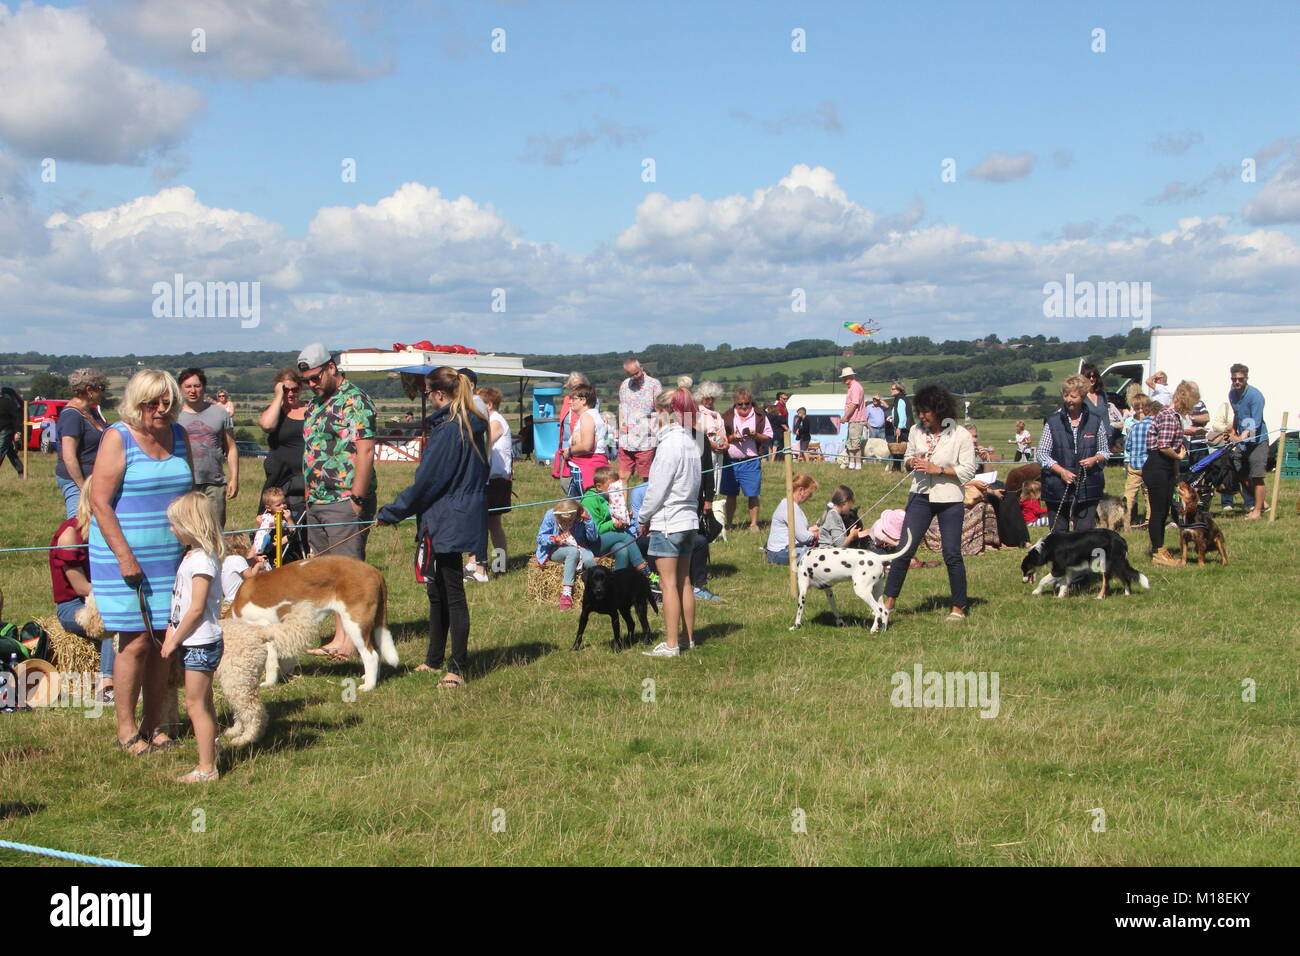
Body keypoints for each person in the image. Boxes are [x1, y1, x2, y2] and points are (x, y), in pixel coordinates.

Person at [89, 369, 193, 755]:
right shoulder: (118, 437)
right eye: (152, 402)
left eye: (168, 402)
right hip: (124, 556)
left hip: (170, 555)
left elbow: (189, 496)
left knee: (163, 642)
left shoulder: (179, 436)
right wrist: (124, 556)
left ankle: (157, 724)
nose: (161, 410)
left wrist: (195, 545)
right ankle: (126, 730)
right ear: (137, 402)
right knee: (133, 642)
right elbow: (99, 501)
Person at [377, 368, 488, 688]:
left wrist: (393, 511)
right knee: (435, 590)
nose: (426, 398)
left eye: (427, 393)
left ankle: (457, 667)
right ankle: (433, 659)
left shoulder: (452, 429)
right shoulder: (466, 423)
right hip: (446, 515)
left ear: (439, 394)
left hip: (449, 517)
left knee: (452, 592)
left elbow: (428, 482)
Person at [297, 344, 378, 658]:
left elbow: (366, 450)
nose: (312, 384)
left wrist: (356, 497)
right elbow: (312, 450)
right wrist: (308, 491)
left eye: (315, 377)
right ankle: (338, 637)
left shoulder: (356, 400)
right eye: (307, 380)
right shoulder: (316, 404)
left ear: (331, 367)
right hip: (316, 500)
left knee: (348, 572)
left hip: (344, 499)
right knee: (329, 574)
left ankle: (352, 643)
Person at [881, 384, 977, 624]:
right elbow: (906, 458)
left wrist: (939, 470)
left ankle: (958, 606)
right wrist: (912, 462)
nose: (922, 416)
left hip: (950, 499)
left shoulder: (960, 435)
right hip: (920, 497)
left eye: (927, 411)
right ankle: (888, 604)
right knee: (903, 551)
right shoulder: (915, 431)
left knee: (952, 553)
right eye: (920, 411)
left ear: (940, 409)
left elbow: (968, 470)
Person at [160, 491, 224, 783]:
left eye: (175, 524)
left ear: (190, 525)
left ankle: (206, 768)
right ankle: (212, 751)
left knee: (195, 705)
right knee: (204, 702)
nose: (171, 529)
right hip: (193, 639)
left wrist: (174, 639)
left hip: (200, 641)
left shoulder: (202, 562)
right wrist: (171, 629)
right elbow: (182, 602)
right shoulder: (194, 556)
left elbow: (197, 607)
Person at [640, 387, 702, 658]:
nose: (654, 418)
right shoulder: (690, 441)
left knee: (667, 585)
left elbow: (657, 490)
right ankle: (687, 639)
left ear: (666, 412)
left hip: (669, 521)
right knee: (684, 581)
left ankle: (671, 644)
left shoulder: (669, 445)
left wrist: (642, 518)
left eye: (657, 412)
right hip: (689, 520)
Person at [50, 475, 113, 701]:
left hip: (104, 595)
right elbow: (81, 587)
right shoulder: (70, 535)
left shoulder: (110, 530)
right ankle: (106, 685)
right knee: (109, 617)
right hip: (73, 605)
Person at [1037, 374, 1108, 532]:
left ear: (1082, 397)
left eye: (1073, 396)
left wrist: (1095, 459)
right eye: (1066, 395)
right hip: (1057, 486)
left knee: (1084, 534)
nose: (1068, 399)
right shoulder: (1052, 421)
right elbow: (1042, 454)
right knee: (1058, 535)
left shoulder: (1096, 421)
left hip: (1088, 485)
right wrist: (1061, 471)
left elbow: (1105, 451)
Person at [1145, 381, 1199, 566]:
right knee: (1158, 512)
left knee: (1164, 510)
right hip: (1157, 466)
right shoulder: (1168, 416)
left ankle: (1160, 549)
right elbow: (1164, 445)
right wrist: (1179, 456)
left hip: (1166, 467)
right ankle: (1157, 551)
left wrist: (1175, 470)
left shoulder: (1174, 416)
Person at [177, 368, 239, 529]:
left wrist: (234, 478)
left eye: (196, 386)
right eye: (188, 386)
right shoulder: (173, 416)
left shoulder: (220, 413)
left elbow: (231, 447)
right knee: (186, 531)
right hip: (183, 482)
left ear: (203, 387)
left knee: (215, 530)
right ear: (180, 388)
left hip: (214, 482)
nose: (192, 391)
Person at [54, 368, 110, 519]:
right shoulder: (72, 416)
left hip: (94, 478)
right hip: (77, 479)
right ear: (89, 390)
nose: (103, 393)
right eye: (101, 389)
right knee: (78, 521)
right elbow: (69, 456)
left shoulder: (92, 413)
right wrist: (83, 487)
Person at [258, 367, 309, 519]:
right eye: (286, 390)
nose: (291, 394)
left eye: (295, 389)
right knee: (272, 520)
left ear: (301, 388)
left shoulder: (310, 409)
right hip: (279, 477)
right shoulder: (274, 411)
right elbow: (267, 425)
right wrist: (279, 396)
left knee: (302, 519)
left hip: (305, 475)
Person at [581, 465, 650, 575]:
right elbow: (596, 530)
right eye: (612, 487)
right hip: (593, 543)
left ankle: (618, 581)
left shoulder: (610, 497)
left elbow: (615, 521)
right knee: (623, 534)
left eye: (617, 487)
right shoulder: (589, 501)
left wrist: (626, 518)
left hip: (608, 539)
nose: (616, 490)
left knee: (622, 550)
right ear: (599, 487)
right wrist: (613, 524)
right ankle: (642, 567)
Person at [720, 386, 772, 532]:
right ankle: (729, 525)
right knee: (730, 494)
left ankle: (754, 524)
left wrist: (756, 435)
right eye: (740, 404)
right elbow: (719, 438)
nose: (744, 406)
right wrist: (732, 438)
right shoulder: (727, 416)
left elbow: (768, 437)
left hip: (751, 460)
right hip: (730, 461)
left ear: (751, 402)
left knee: (753, 493)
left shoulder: (760, 416)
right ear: (735, 403)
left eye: (747, 403)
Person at [535, 499, 601, 610]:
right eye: (562, 521)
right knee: (572, 552)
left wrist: (588, 521)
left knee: (590, 561)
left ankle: (598, 592)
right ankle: (566, 594)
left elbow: (593, 538)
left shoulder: (583, 513)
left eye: (569, 521)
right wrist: (554, 539)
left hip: (578, 546)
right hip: (555, 549)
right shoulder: (550, 515)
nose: (566, 524)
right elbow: (540, 538)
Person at [476, 386, 512, 575]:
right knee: (492, 525)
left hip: (495, 481)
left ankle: (497, 563)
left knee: (490, 525)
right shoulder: (494, 420)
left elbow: (482, 443)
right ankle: (500, 564)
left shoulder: (496, 421)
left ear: (489, 404)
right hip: (495, 480)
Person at [1228, 364, 1268, 520]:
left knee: (1257, 476)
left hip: (1257, 441)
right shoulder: (1232, 394)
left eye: (1240, 379)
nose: (1237, 382)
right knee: (1242, 475)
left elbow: (1254, 424)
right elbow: (1237, 414)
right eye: (1234, 379)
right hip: (1243, 442)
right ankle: (1262, 503)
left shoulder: (1255, 396)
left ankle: (1257, 512)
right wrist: (1232, 430)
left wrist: (1239, 437)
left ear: (1246, 378)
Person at [617, 356, 662, 480]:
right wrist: (620, 430)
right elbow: (621, 409)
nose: (635, 376)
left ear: (641, 368)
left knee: (646, 478)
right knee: (622, 477)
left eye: (636, 373)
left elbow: (660, 410)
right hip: (626, 439)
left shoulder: (654, 384)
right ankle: (623, 500)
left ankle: (644, 499)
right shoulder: (624, 385)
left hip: (646, 439)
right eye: (631, 375)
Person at [765, 474, 821, 563]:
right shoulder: (791, 507)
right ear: (801, 490)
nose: (809, 497)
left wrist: (810, 530)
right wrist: (816, 534)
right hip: (781, 553)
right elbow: (803, 538)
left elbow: (796, 532)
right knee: (822, 554)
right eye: (809, 494)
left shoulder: (787, 504)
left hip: (777, 552)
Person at [566, 383, 610, 493]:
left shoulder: (587, 417)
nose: (569, 401)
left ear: (583, 400)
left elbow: (587, 446)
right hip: (587, 466)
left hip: (587, 468)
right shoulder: (591, 416)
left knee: (586, 505)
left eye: (573, 398)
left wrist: (569, 451)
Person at [550, 371, 590, 485]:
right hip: (565, 445)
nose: (576, 388)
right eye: (573, 386)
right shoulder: (567, 399)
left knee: (576, 481)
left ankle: (578, 501)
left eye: (579, 386)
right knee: (565, 481)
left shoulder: (590, 400)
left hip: (580, 445)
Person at [1122, 395, 1153, 528]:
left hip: (1134, 465)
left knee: (1129, 494)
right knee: (1149, 494)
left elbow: (1127, 446)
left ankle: (1125, 520)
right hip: (1149, 465)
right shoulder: (1153, 426)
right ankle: (1149, 520)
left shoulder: (1134, 427)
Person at [693, 380, 729, 487]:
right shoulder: (698, 413)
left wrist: (725, 443)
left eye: (712, 398)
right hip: (706, 451)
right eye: (707, 398)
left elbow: (722, 432)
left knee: (717, 476)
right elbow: (701, 434)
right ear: (701, 398)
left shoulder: (716, 415)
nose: (710, 401)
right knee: (707, 478)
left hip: (719, 451)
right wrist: (714, 444)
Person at [251, 486, 297, 562]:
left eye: (283, 503)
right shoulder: (266, 517)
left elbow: (293, 532)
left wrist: (289, 519)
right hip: (264, 542)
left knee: (287, 537)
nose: (282, 506)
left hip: (280, 544)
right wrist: (258, 524)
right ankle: (261, 549)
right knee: (261, 536)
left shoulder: (285, 517)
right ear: (268, 508)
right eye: (278, 505)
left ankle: (268, 546)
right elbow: (256, 535)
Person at [220, 532, 265, 605]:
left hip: (228, 599)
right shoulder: (238, 559)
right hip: (238, 600)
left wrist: (254, 560)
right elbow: (250, 577)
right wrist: (258, 566)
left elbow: (241, 566)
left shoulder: (226, 560)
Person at [840, 366, 867, 470]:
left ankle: (857, 465)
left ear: (850, 376)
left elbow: (854, 404)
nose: (844, 380)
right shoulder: (852, 387)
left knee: (855, 444)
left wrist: (845, 416)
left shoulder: (855, 387)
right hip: (853, 419)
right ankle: (852, 464)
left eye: (845, 377)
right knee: (851, 444)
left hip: (856, 419)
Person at [0, 386, 23, 477]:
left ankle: (21, 471)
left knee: (1, 450)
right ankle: (21, 471)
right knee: (10, 452)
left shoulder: (8, 403)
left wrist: (18, 432)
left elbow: (15, 418)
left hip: (6, 431)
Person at [768, 391, 790, 463]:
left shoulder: (784, 406)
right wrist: (787, 428)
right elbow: (779, 420)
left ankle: (779, 461)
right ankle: (773, 460)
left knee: (779, 447)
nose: (786, 400)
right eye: (784, 399)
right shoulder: (778, 406)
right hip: (779, 430)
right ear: (780, 398)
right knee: (776, 446)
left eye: (787, 398)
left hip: (781, 430)